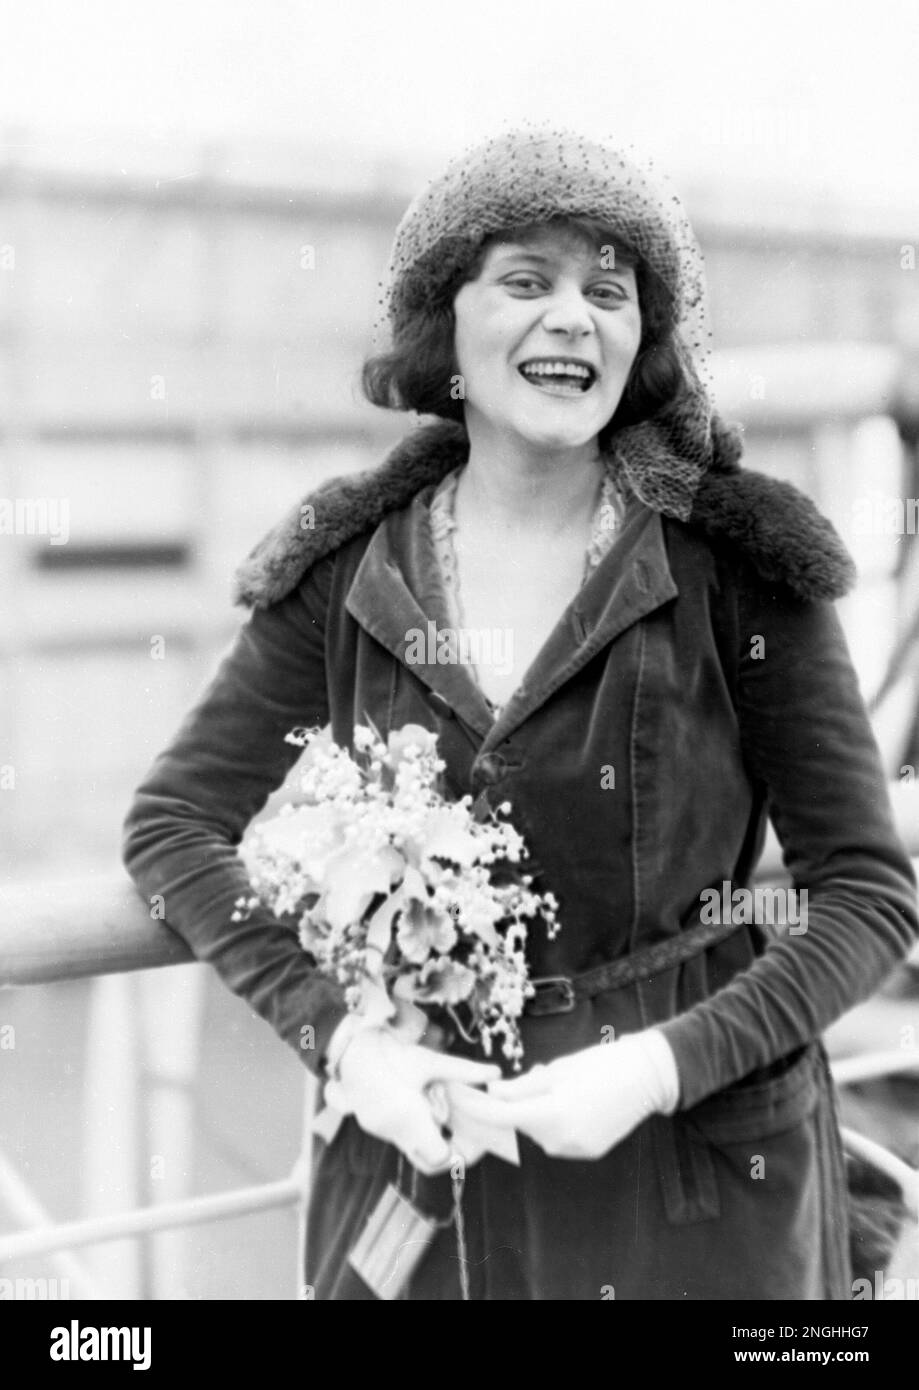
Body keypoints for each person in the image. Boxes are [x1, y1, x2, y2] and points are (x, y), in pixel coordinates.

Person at [122, 128, 919, 1300]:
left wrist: (657, 1067)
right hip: (425, 1177)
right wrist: (345, 1042)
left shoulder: (741, 560)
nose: (572, 318)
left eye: (609, 290)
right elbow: (173, 825)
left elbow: (865, 892)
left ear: (643, 339)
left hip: (692, 1194)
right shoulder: (347, 568)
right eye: (526, 281)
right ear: (445, 320)